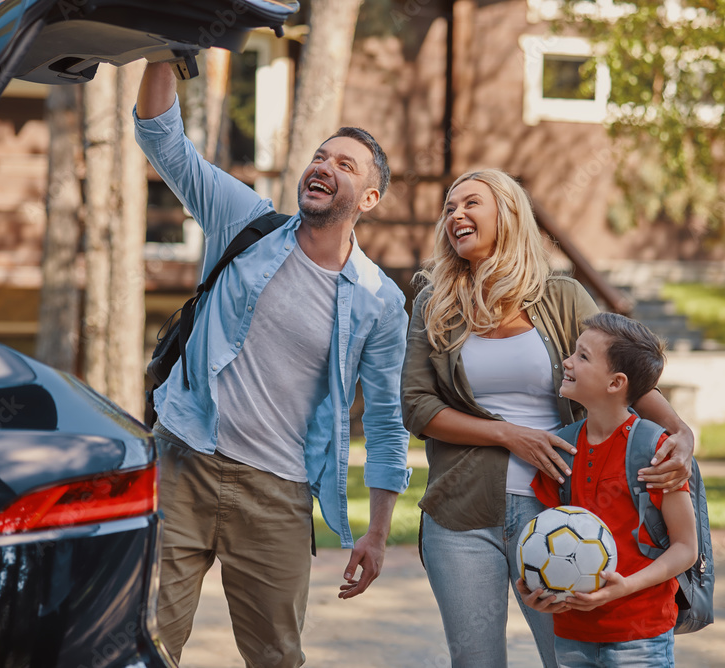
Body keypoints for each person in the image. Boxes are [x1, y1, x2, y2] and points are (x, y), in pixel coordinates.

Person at [134, 62, 411, 667]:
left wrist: (378, 531)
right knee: (145, 643)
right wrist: (162, 52)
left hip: (276, 493)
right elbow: (162, 138)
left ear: (369, 199)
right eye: (320, 156)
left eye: (345, 165)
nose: (323, 166)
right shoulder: (246, 223)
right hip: (182, 462)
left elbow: (387, 421)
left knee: (276, 659)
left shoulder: (379, 302)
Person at [400, 169, 694, 668]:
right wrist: (508, 435)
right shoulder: (434, 303)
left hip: (560, 510)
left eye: (471, 203)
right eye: (449, 208)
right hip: (461, 514)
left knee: (566, 656)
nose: (456, 215)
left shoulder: (561, 296)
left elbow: (620, 374)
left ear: (509, 214)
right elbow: (417, 406)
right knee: (475, 661)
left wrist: (681, 432)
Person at [520, 311, 698, 667]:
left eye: (583, 356)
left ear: (615, 383)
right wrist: (537, 589)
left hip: (640, 635)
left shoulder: (654, 450)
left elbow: (686, 548)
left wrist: (625, 587)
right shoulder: (563, 449)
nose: (567, 362)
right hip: (572, 635)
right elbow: (547, 541)